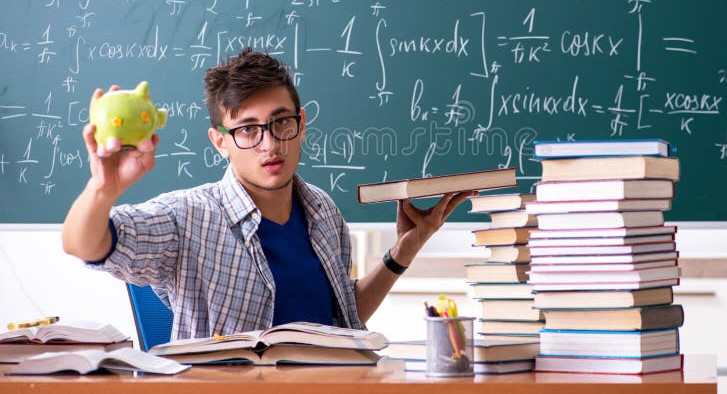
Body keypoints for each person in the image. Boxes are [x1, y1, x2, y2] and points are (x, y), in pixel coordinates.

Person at [62, 48, 475, 340]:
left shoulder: (323, 211)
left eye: (281, 123)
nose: (269, 144)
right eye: (247, 129)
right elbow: (85, 245)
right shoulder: (187, 217)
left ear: (302, 124)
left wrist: (404, 250)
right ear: (220, 141)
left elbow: (340, 318)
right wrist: (103, 188)